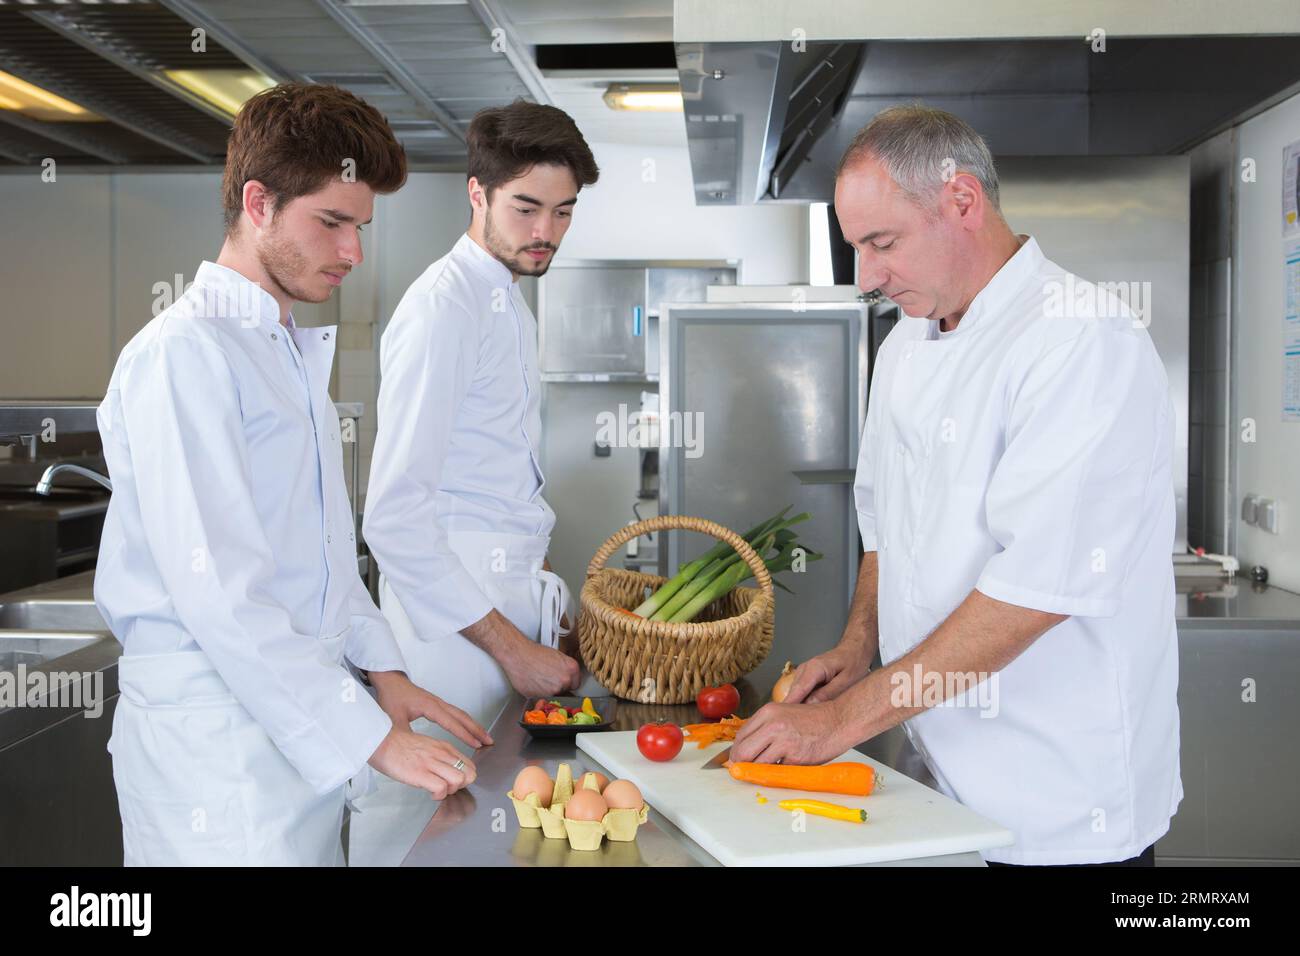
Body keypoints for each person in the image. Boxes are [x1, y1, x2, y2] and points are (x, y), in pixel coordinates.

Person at [730, 105, 1181, 867]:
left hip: (1058, 808)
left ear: (962, 203)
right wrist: (857, 645)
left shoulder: (1079, 340)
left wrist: (838, 723)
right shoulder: (910, 341)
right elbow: (886, 522)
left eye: (882, 243)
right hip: (938, 784)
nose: (868, 277)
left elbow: (1033, 592)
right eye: (857, 249)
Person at [95, 83, 490, 867]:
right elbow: (222, 591)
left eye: (361, 228)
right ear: (258, 203)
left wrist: (382, 671)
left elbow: (322, 556)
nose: (353, 253)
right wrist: (371, 736)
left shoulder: (279, 348)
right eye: (332, 223)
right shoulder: (185, 354)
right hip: (214, 752)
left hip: (289, 732)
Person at [364, 100, 599, 732]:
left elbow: (503, 475)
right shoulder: (444, 308)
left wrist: (549, 601)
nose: (545, 230)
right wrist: (511, 648)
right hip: (454, 629)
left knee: (508, 811)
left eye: (563, 210)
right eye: (525, 208)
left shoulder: (509, 303)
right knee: (443, 817)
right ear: (478, 193)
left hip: (506, 599)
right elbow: (393, 516)